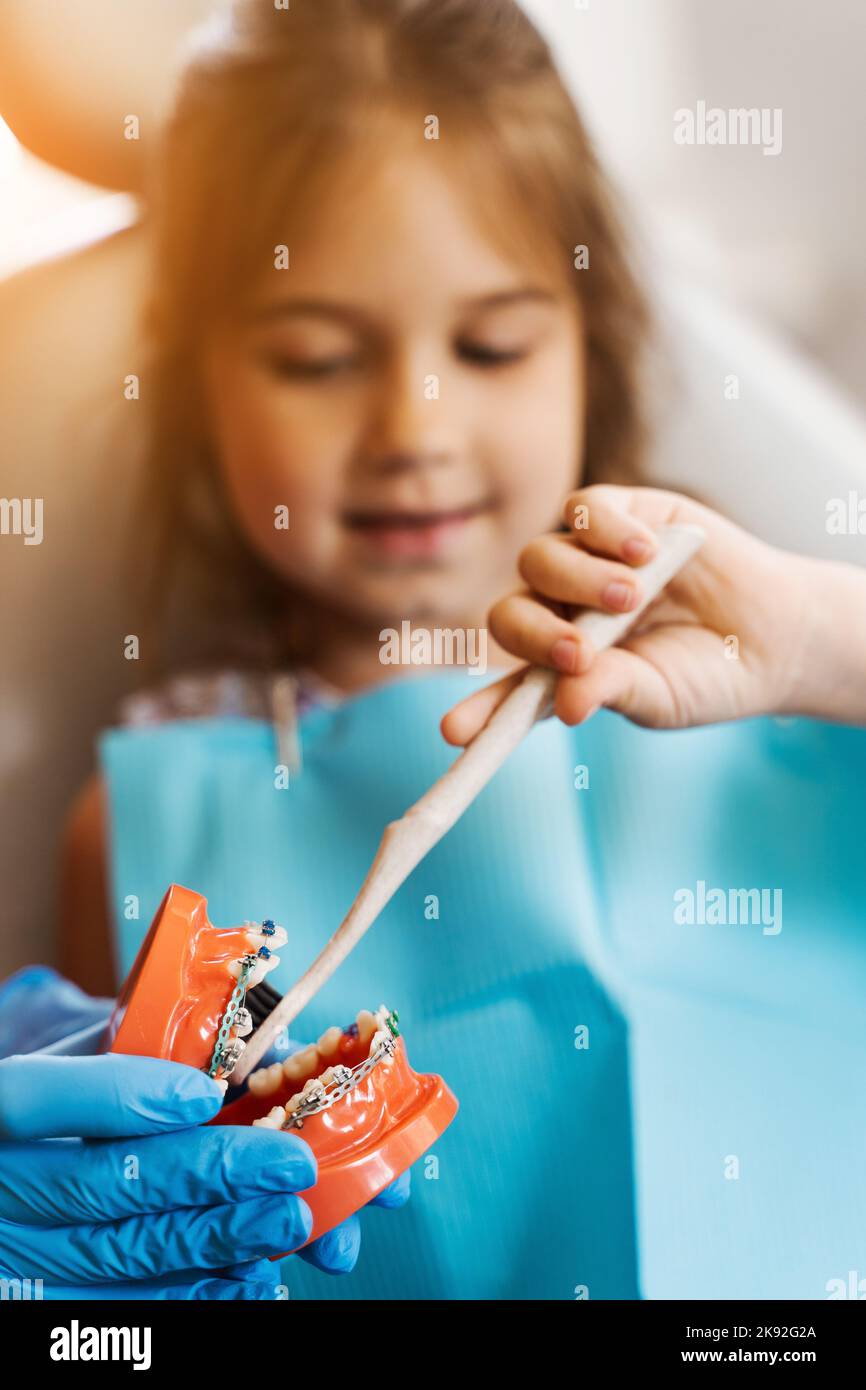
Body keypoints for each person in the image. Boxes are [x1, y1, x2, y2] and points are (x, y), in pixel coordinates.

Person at [49, 0, 866, 1299]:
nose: (410, 425)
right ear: (191, 380)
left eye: (489, 345)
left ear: (588, 355)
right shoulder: (142, 813)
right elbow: (123, 1245)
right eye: (316, 358)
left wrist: (828, 642)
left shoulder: (784, 691)